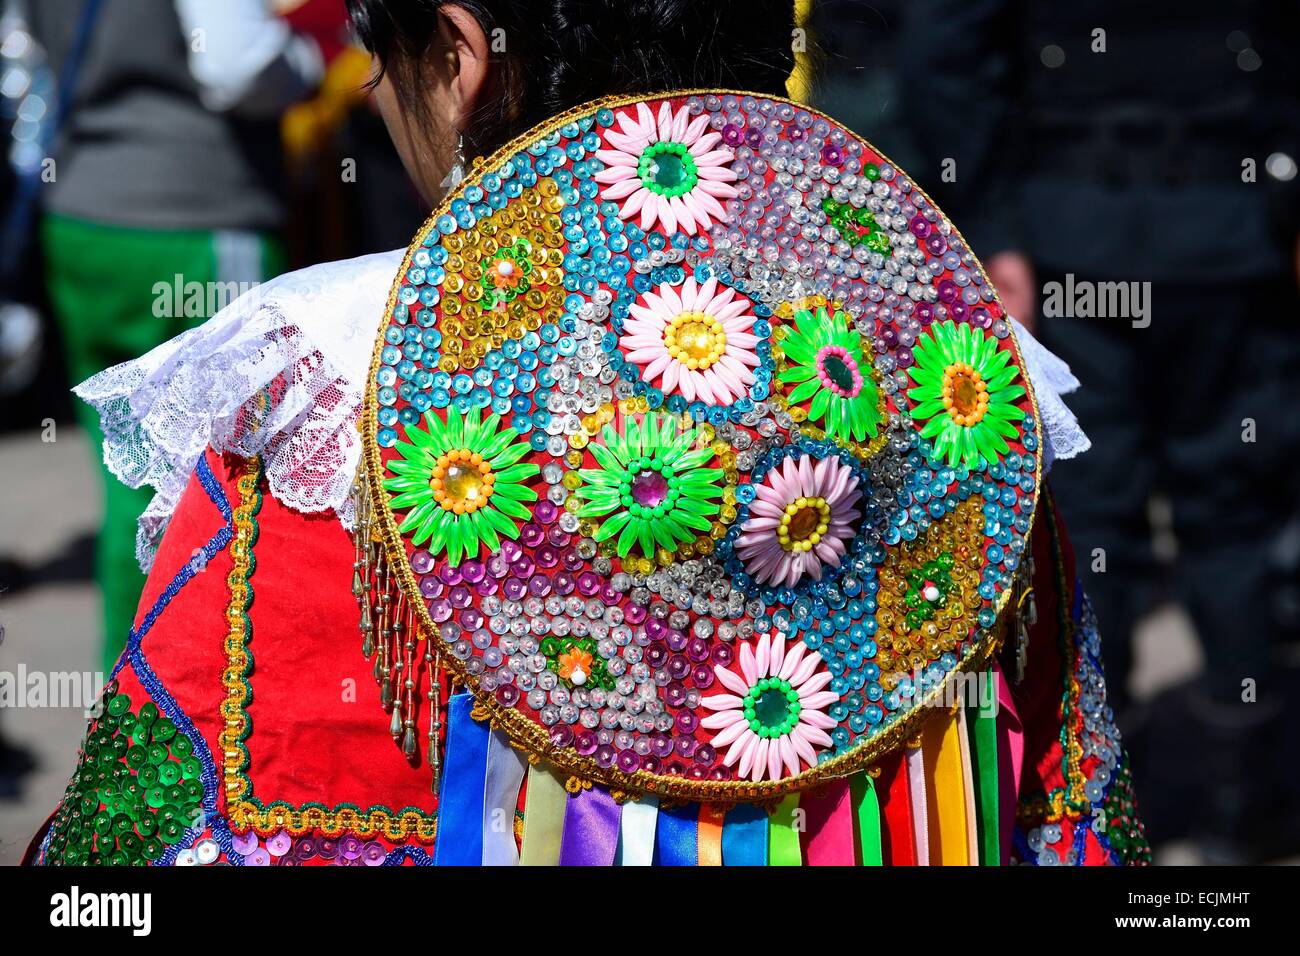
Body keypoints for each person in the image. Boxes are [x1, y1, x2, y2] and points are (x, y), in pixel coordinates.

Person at [27, 0, 1147, 867]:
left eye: (384, 66)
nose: (381, 99)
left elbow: (152, 835)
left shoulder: (316, 377)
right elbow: (1068, 806)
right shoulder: (954, 375)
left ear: (461, 58)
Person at [897, 0, 1300, 861]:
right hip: (1210, 233)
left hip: (1093, 239)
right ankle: (1237, 802)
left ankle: (1110, 803)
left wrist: (994, 225)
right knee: (1223, 516)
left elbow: (947, 48)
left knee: (1106, 524)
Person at [29, 0, 324, 672]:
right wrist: (310, 60)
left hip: (82, 217)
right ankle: (202, 712)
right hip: (193, 220)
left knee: (130, 483)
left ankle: (129, 708)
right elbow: (235, 62)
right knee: (227, 486)